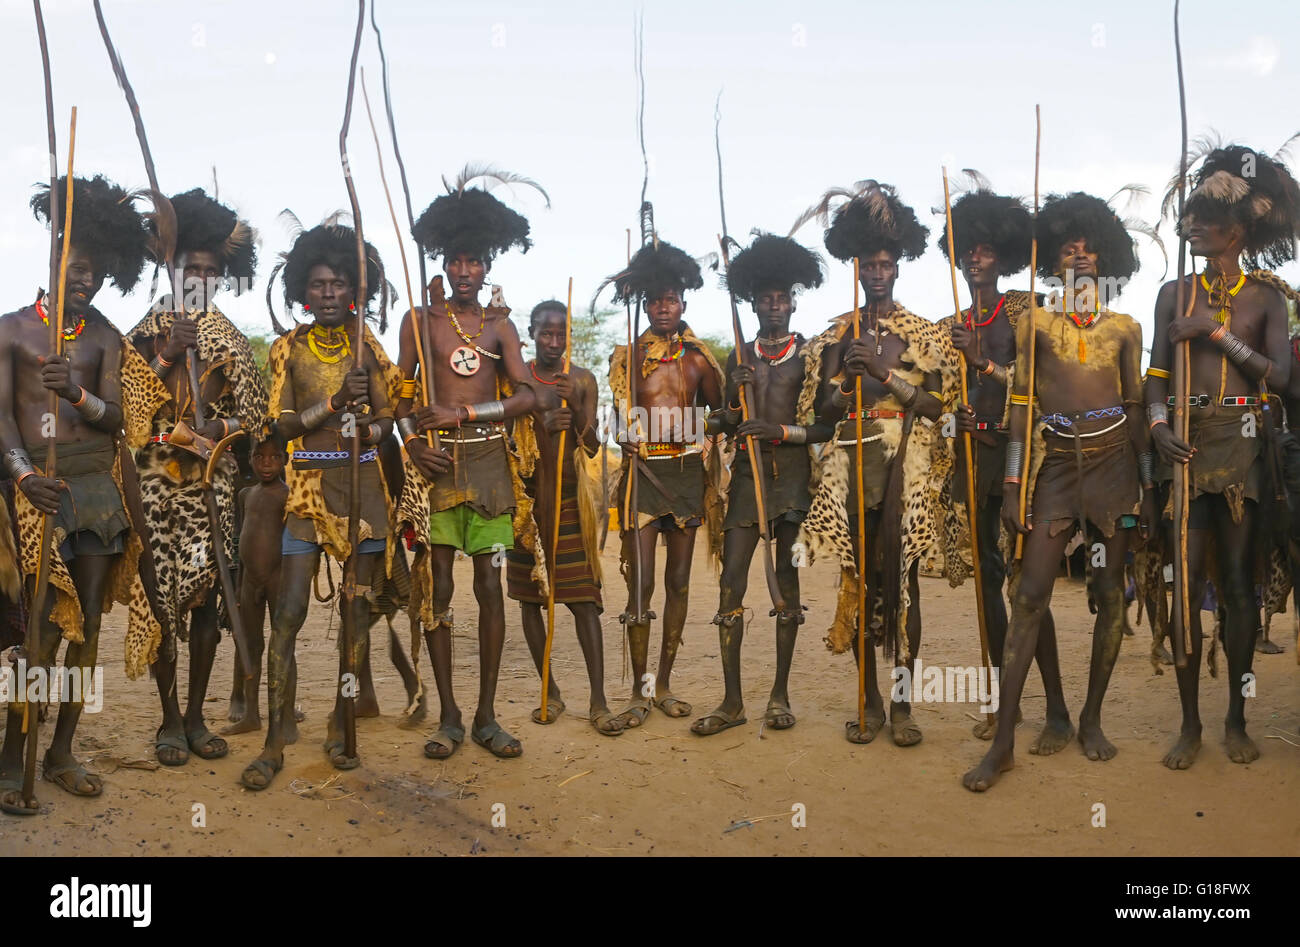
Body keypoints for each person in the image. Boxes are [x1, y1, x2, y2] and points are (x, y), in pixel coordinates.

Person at [964, 191, 1152, 791]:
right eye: (1069, 248)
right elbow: (1021, 402)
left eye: (1089, 248)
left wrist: (1146, 489)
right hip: (1055, 470)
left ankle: (1091, 719)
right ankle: (1004, 743)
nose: (1080, 256)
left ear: (1106, 260)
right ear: (1056, 263)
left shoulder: (1125, 327)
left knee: (1109, 595)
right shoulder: (1035, 323)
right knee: (1029, 594)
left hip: (1116, 467)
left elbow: (1133, 402)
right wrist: (1016, 481)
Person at [0, 174, 166, 811]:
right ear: (51, 258)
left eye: (95, 272)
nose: (84, 281)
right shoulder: (14, 330)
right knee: (38, 632)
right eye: (74, 267)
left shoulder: (104, 338)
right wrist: (22, 475)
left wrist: (76, 393)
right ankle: (13, 755)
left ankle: (63, 750)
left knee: (87, 630)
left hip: (97, 490)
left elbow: (121, 419)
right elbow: (4, 417)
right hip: (36, 489)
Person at [1145, 145, 1300, 768]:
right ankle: (1189, 726)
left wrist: (1214, 332)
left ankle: (1236, 718)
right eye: (1189, 220)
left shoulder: (1265, 298)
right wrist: (1157, 424)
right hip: (1182, 442)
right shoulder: (1171, 294)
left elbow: (1280, 377)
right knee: (1183, 586)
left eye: (1204, 223)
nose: (1191, 229)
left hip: (1242, 444)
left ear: (1234, 232)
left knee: (1238, 586)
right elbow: (1156, 371)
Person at [793, 181, 959, 747]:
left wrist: (888, 378)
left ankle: (904, 705)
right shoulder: (836, 338)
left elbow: (941, 406)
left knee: (905, 583)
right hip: (850, 470)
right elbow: (818, 413)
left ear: (899, 267)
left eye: (887, 264)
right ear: (857, 268)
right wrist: (846, 383)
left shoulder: (924, 336)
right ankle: (867, 701)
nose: (878, 272)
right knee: (860, 581)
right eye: (869, 264)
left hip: (905, 473)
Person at [240, 222, 397, 791]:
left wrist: (368, 430)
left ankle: (342, 717)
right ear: (302, 292)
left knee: (356, 616)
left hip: (362, 490)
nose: (328, 292)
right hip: (306, 487)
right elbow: (279, 426)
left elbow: (388, 419)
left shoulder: (367, 348)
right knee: (288, 615)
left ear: (354, 288)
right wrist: (333, 403)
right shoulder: (289, 348)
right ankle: (277, 733)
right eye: (318, 284)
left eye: (337, 283)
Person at [396, 171, 544, 760]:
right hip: (434, 470)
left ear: (488, 266)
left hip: (488, 467)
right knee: (436, 588)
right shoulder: (418, 321)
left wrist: (468, 414)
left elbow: (529, 395)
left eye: (474, 262)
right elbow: (398, 397)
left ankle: (486, 715)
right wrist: (410, 444)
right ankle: (450, 716)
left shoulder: (500, 326)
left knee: (491, 586)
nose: (464, 271)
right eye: (455, 261)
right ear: (444, 263)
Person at [126, 188, 266, 767]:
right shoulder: (146, 330)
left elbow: (256, 418)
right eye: (191, 267)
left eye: (211, 270)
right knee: (163, 602)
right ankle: (166, 720)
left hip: (214, 478)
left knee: (208, 600)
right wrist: (164, 356)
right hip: (158, 476)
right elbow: (126, 411)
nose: (200, 277)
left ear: (220, 275)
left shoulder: (231, 337)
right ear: (173, 266)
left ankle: (196, 717)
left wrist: (220, 428)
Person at [936, 187, 1065, 742]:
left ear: (1002, 256)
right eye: (968, 250)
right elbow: (936, 405)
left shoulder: (1024, 311)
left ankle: (1057, 707)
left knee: (1025, 586)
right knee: (988, 582)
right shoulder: (950, 324)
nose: (975, 258)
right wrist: (953, 423)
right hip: (971, 460)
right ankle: (1000, 704)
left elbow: (1037, 390)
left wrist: (982, 363)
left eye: (986, 250)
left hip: (1022, 459)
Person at [690, 233, 829, 736]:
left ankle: (779, 695)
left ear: (793, 301)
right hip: (747, 479)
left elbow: (825, 426)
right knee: (731, 581)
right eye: (765, 298)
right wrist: (731, 408)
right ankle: (732, 702)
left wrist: (780, 432)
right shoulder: (738, 355)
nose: (774, 305)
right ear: (752, 302)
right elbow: (725, 420)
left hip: (792, 480)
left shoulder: (811, 355)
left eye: (782, 297)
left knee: (786, 586)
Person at [605, 238, 725, 729]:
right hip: (642, 474)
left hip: (685, 474)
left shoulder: (699, 360)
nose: (662, 307)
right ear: (644, 303)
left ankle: (667, 682)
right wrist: (625, 436)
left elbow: (725, 415)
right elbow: (616, 417)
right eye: (654, 300)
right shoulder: (628, 357)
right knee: (642, 586)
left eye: (671, 299)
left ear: (684, 303)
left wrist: (693, 430)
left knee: (678, 582)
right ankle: (639, 690)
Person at [506, 300, 618, 735]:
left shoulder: (582, 380)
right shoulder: (519, 382)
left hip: (572, 501)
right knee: (529, 600)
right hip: (528, 503)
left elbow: (592, 447)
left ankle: (598, 700)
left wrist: (576, 416)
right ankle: (549, 692)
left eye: (561, 334)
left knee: (584, 601)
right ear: (532, 334)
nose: (553, 342)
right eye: (545, 333)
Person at [222, 433, 288, 737]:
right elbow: (239, 541)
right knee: (248, 644)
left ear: (285, 461)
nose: (266, 464)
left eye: (274, 457)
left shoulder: (288, 495)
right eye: (260, 457)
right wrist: (236, 588)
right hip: (248, 580)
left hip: (278, 578)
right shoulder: (246, 495)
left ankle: (285, 706)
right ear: (250, 460)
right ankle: (250, 711)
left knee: (281, 644)